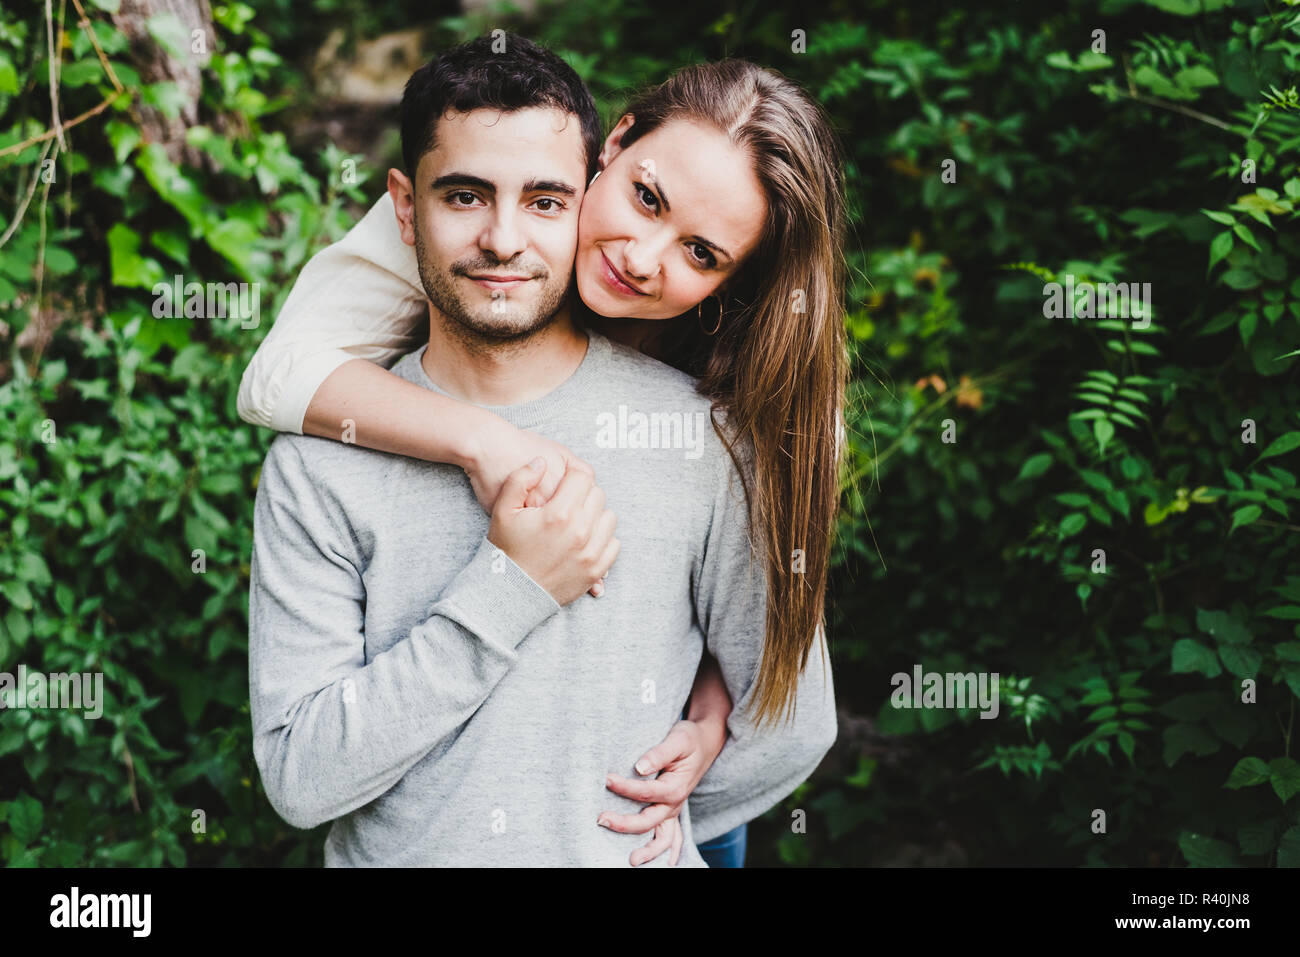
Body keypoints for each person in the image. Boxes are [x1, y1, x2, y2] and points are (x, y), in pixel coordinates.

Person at [245, 33, 846, 867]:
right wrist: (492, 466)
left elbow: (785, 700)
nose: (643, 258)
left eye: (701, 254)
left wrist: (700, 744)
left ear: (730, 282)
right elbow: (277, 376)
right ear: (615, 148)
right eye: (645, 197)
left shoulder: (714, 422)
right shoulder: (483, 187)